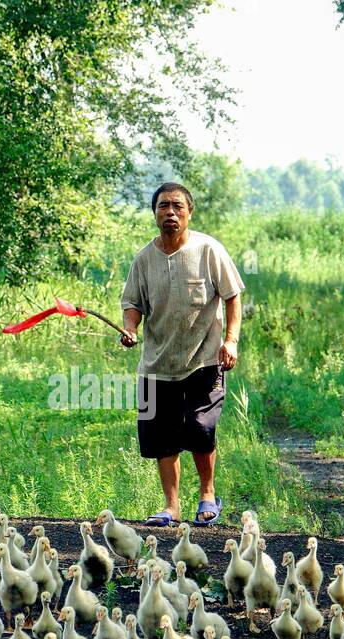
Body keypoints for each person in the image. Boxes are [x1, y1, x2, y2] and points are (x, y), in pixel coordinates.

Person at [119, 182, 244, 526]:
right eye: (163, 206)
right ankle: (171, 506)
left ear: (189, 213)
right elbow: (133, 304)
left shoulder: (209, 250)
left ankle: (207, 495)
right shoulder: (144, 259)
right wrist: (130, 328)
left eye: (177, 206)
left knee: (202, 429)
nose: (170, 213)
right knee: (163, 438)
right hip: (157, 364)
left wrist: (230, 341)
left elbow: (233, 296)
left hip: (204, 359)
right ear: (154, 213)